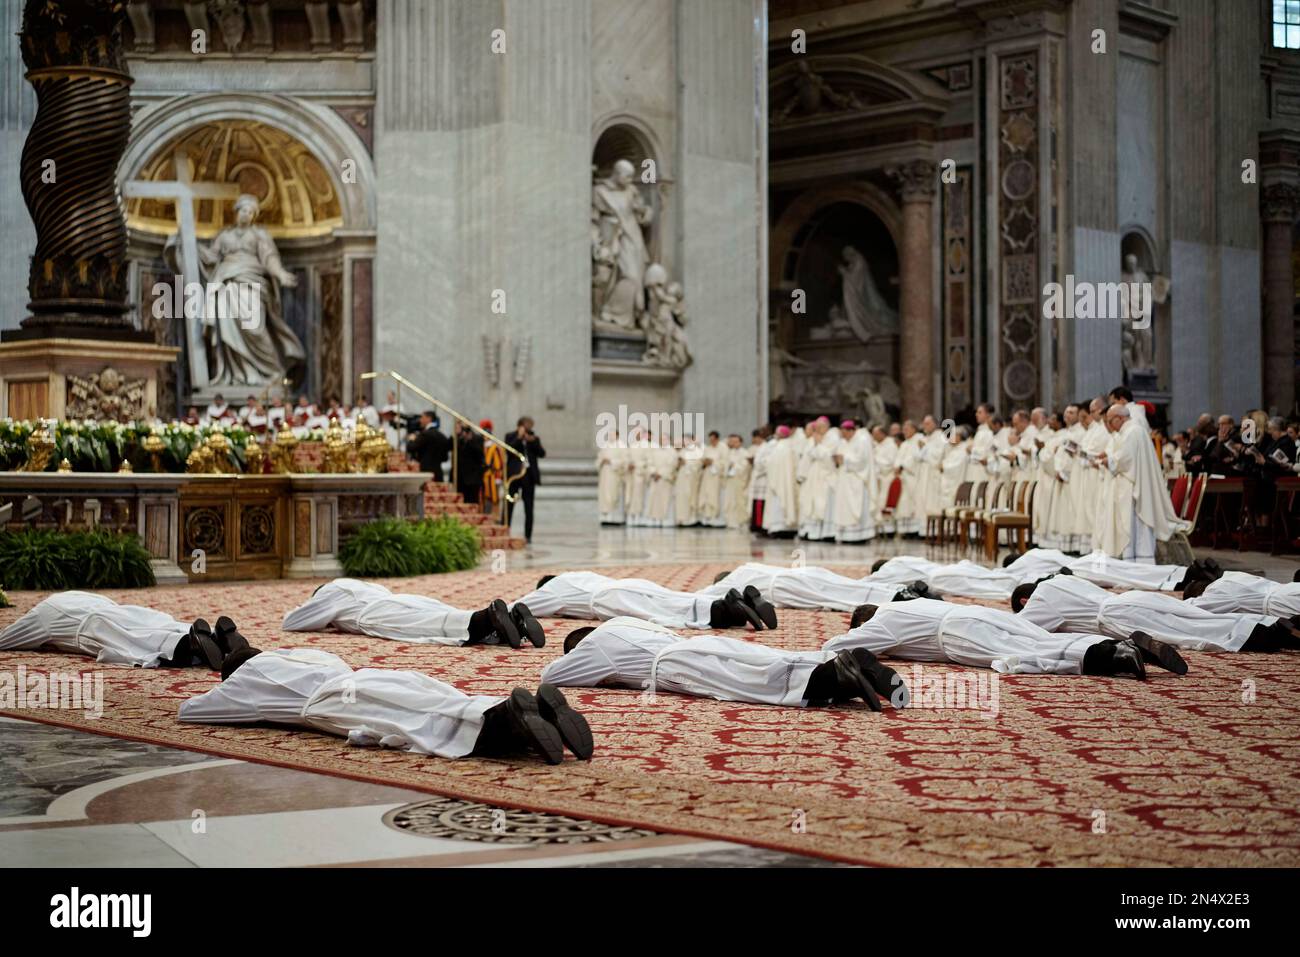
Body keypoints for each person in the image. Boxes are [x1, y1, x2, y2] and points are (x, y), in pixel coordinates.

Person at [180, 647, 593, 765]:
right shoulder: (300, 653)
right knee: (436, 698)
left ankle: (508, 719)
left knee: (416, 722)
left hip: (332, 703)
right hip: (368, 676)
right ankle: (527, 711)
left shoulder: (246, 682)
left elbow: (192, 711)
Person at [542, 616, 901, 711]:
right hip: (695, 644)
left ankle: (835, 677)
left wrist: (579, 654)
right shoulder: (623, 622)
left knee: (750, 683)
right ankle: (844, 666)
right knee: (763, 659)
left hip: (674, 666)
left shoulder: (594, 645)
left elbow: (551, 676)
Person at [824, 598, 1188, 680]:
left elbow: (838, 648)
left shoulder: (882, 619)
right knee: (1039, 637)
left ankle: (1114, 656)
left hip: (956, 635)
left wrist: (846, 637)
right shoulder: (911, 603)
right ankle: (1124, 644)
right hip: (976, 613)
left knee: (1027, 653)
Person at [1013, 573, 1295, 653]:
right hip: (1131, 599)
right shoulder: (1061, 581)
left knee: (1193, 632)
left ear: (1025, 600)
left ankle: (1269, 635)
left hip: (1119, 618)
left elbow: (1021, 630)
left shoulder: (1041, 598)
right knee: (1196, 618)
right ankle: (1270, 625)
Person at [0, 592, 247, 670]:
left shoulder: (42, 613)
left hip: (89, 625)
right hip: (119, 609)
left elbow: (6, 639)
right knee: (153, 623)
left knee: (134, 643)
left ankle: (187, 644)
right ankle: (212, 635)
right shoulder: (74, 594)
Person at [282, 579, 545, 649]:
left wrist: (312, 608)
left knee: (428, 627)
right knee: (443, 614)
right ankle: (509, 623)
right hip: (399, 599)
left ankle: (486, 619)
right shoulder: (357, 584)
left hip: (375, 614)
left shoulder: (331, 591)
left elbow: (294, 623)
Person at [512, 572, 778, 630]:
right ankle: (734, 603)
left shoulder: (553, 588)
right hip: (625, 586)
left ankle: (722, 609)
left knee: (666, 612)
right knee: (673, 600)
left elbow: (521, 606)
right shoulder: (576, 575)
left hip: (607, 600)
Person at [1094, 404, 1184, 562]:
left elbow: (1125, 459)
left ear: (1120, 418)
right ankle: (1135, 561)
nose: (1108, 425)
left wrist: (1109, 460)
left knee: (1135, 526)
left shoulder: (1132, 431)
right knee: (1133, 526)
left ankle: (1139, 562)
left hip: (1134, 488)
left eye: (1109, 420)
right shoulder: (1131, 431)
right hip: (1132, 484)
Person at [704, 562, 925, 612]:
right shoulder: (747, 566)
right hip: (803, 573)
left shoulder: (730, 581)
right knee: (844, 587)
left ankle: (896, 597)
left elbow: (704, 596)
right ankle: (898, 591)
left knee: (836, 597)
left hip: (786, 586)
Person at [505, 416, 545, 543]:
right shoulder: (510, 436)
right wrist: (519, 437)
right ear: (520, 425)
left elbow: (542, 453)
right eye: (527, 426)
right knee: (509, 504)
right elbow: (508, 450)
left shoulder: (534, 438)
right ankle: (505, 529)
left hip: (529, 477)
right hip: (514, 476)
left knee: (529, 507)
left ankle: (528, 536)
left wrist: (531, 441)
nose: (529, 428)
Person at [406, 410, 450, 482]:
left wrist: (411, 439)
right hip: (438, 473)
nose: (420, 420)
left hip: (426, 473)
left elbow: (411, 448)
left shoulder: (425, 434)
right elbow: (445, 458)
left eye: (422, 418)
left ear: (429, 419)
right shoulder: (442, 436)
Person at [454, 421, 486, 506]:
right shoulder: (458, 439)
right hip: (460, 477)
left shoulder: (477, 438)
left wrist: (470, 440)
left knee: (473, 503)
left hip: (473, 477)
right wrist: (457, 435)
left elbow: (480, 455)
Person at [480, 419, 505, 516]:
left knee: (493, 499)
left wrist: (498, 477)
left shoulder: (495, 448)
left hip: (493, 477)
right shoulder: (481, 446)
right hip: (483, 477)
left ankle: (494, 518)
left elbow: (499, 465)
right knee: (483, 499)